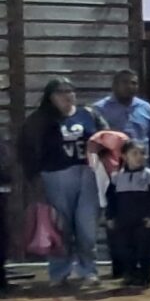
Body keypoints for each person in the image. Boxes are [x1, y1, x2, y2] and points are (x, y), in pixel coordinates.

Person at [19, 78, 104, 286]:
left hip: (88, 175)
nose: (67, 96)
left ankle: (88, 270)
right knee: (59, 227)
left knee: (87, 226)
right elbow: (26, 151)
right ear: (50, 97)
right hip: (54, 177)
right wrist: (34, 180)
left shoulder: (89, 114)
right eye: (60, 92)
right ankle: (59, 271)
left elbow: (107, 138)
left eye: (70, 91)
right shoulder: (38, 120)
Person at [106, 136, 150, 286]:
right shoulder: (117, 178)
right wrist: (110, 217)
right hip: (124, 220)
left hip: (142, 221)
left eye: (142, 153)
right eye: (135, 153)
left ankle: (145, 276)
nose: (139, 157)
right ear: (124, 156)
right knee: (125, 248)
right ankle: (129, 274)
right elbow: (111, 199)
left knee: (144, 249)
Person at [97, 67, 150, 173]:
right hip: (113, 171)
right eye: (125, 82)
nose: (130, 86)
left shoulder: (145, 107)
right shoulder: (100, 109)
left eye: (134, 83)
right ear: (114, 86)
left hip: (142, 169)